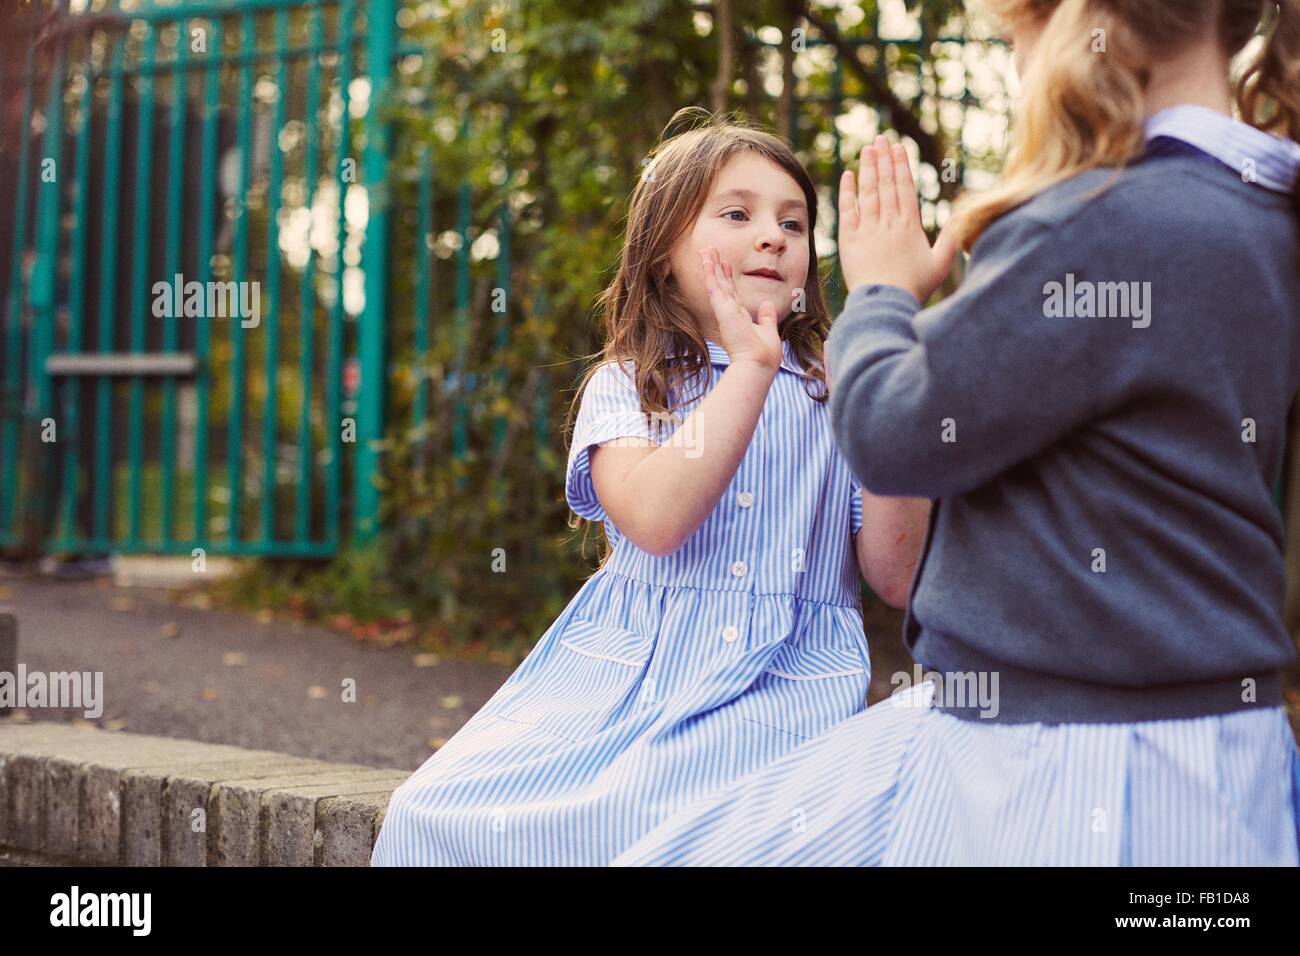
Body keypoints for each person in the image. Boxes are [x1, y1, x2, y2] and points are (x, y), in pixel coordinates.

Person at [615, 0, 1300, 866]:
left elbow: (899, 430)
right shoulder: (1262, 213)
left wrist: (880, 296)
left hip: (1063, 755)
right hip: (1199, 744)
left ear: (1079, 24)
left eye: (1013, 41)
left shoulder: (1097, 222)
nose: (1017, 70)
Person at [371, 111, 929, 865]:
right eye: (738, 214)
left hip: (782, 692)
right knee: (427, 815)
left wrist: (890, 364)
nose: (773, 235)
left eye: (793, 224)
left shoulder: (839, 392)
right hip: (617, 689)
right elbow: (657, 518)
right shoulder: (628, 387)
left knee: (689, 835)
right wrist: (751, 370)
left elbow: (897, 576)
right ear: (663, 258)